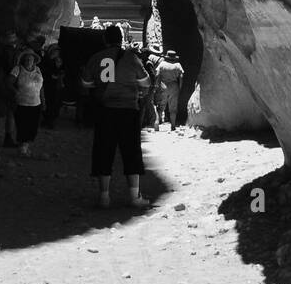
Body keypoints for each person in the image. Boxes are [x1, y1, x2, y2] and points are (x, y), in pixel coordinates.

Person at [80, 24, 152, 208]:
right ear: (121, 39)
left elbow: (86, 83)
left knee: (104, 151)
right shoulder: (131, 58)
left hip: (105, 111)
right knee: (131, 151)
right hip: (128, 111)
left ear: (104, 40)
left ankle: (104, 197)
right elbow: (146, 82)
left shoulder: (96, 58)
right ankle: (135, 197)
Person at [9, 49, 44, 157]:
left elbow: (42, 86)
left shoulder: (37, 69)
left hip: (36, 102)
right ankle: (22, 148)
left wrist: (43, 100)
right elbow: (8, 82)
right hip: (22, 102)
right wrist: (16, 92)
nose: (29, 60)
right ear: (23, 60)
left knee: (32, 126)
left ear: (34, 60)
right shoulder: (17, 69)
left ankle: (25, 147)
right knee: (22, 125)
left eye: (31, 59)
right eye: (27, 59)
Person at [155, 50, 184, 130]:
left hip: (163, 85)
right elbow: (181, 77)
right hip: (174, 86)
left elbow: (157, 75)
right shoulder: (178, 65)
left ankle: (157, 123)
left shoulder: (162, 64)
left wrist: (157, 86)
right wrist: (180, 87)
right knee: (173, 108)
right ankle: (173, 126)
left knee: (160, 106)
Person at [40, 42, 64, 128]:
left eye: (57, 51)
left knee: (54, 103)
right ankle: (46, 120)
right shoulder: (45, 60)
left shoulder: (58, 61)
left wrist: (58, 69)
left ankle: (50, 120)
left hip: (55, 86)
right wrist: (50, 75)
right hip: (46, 84)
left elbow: (60, 71)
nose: (56, 53)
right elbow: (42, 71)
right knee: (47, 102)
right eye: (54, 51)